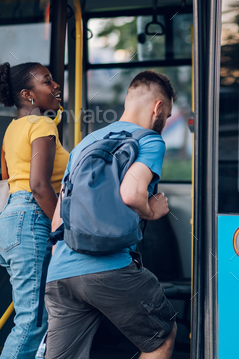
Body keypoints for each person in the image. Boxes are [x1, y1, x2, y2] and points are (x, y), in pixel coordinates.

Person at [44, 70, 177, 359]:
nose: (164, 123)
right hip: (109, 268)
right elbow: (131, 194)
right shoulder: (149, 140)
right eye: (166, 115)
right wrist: (151, 210)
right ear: (157, 108)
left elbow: (58, 218)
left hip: (61, 273)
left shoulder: (84, 144)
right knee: (161, 337)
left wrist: (67, 263)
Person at [0, 62, 69, 358]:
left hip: (8, 223)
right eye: (47, 81)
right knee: (31, 322)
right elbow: (38, 186)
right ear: (28, 94)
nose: (56, 85)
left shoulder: (12, 128)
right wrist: (64, 228)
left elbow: (7, 180)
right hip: (30, 219)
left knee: (38, 317)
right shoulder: (42, 125)